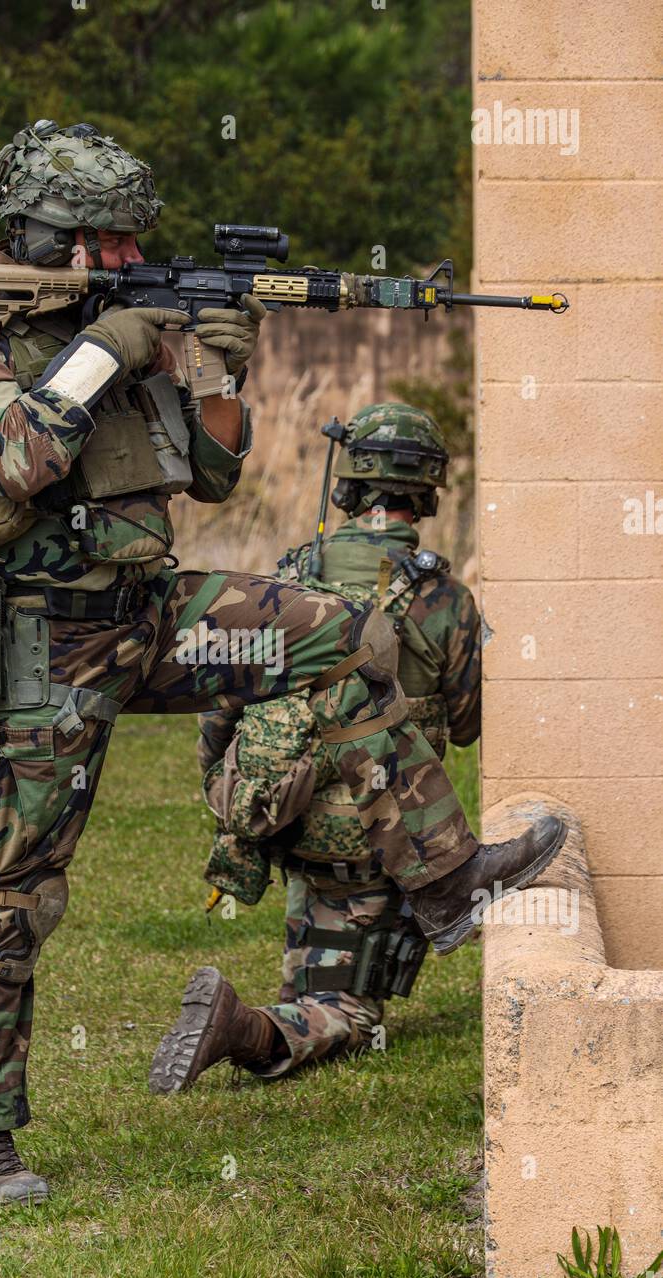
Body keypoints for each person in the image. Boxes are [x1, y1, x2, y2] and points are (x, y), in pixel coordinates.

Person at [0, 121, 564, 1201]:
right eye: (111, 245)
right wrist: (112, 345)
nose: (127, 263)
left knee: (345, 634)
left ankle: (444, 885)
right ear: (55, 239)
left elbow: (210, 473)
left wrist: (216, 361)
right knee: (14, 898)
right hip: (38, 647)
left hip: (151, 614)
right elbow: (14, 456)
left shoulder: (116, 333)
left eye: (133, 247)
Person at [151, 402, 485, 1090]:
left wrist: (232, 787)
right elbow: (469, 720)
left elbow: (226, 699)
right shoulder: (447, 599)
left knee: (323, 961)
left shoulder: (290, 577)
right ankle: (241, 1026)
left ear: (351, 484)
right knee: (350, 1013)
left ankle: (288, 999)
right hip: (386, 829)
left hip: (289, 811)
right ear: (425, 492)